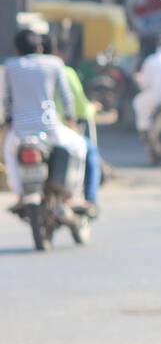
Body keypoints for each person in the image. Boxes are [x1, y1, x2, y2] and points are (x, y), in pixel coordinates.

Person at [2, 28, 88, 210]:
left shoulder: (10, 66)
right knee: (80, 146)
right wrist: (71, 120)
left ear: (17, 49)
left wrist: (9, 123)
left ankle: (20, 195)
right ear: (40, 47)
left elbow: (6, 100)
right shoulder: (54, 63)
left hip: (20, 131)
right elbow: (66, 97)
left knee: (9, 154)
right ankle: (72, 195)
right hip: (50, 128)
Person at [46, 32, 101, 217]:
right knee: (90, 151)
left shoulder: (19, 68)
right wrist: (92, 108)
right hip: (58, 131)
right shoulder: (63, 71)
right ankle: (89, 199)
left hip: (27, 132)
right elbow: (79, 106)